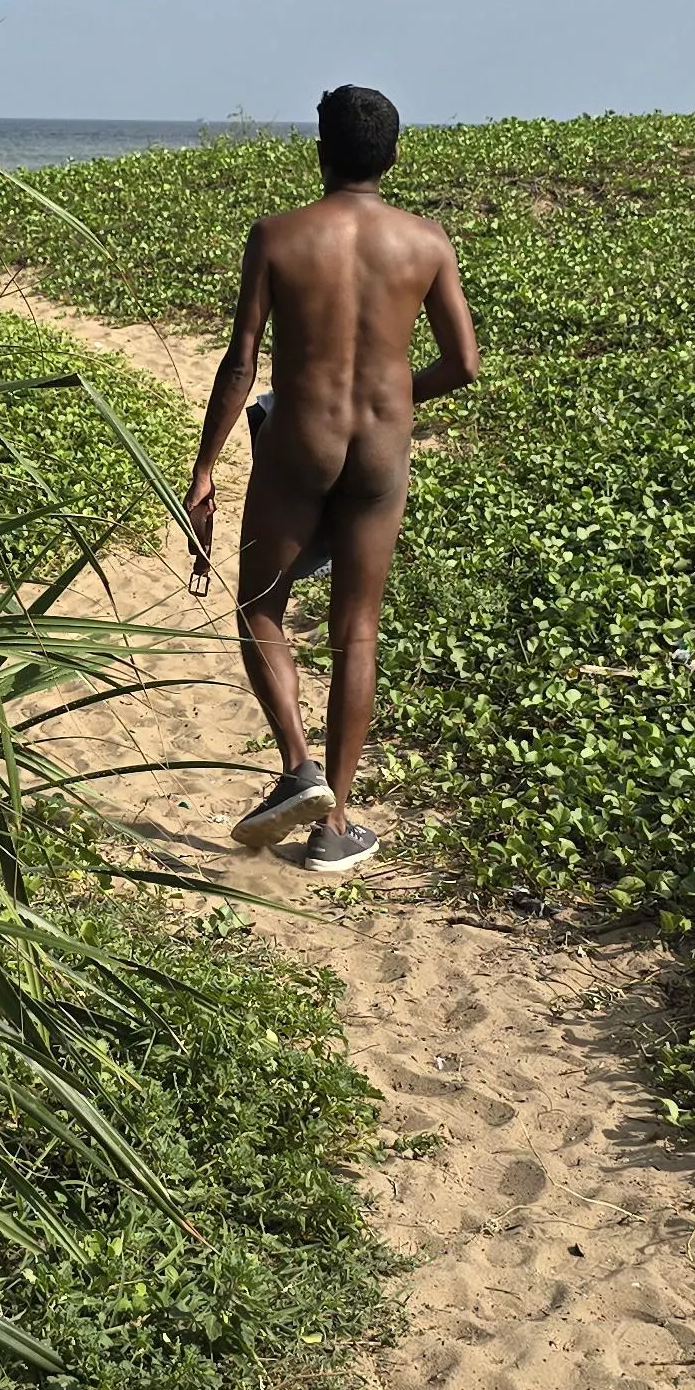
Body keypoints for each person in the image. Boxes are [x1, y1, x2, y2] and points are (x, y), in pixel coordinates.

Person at [186, 86, 479, 876]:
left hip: (300, 440)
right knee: (357, 632)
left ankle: (297, 766)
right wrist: (389, 397)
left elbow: (243, 360)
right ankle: (336, 826)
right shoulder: (426, 242)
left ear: (321, 152)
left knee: (259, 609)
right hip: (381, 447)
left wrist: (206, 466)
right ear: (393, 156)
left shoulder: (278, 237)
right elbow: (464, 363)